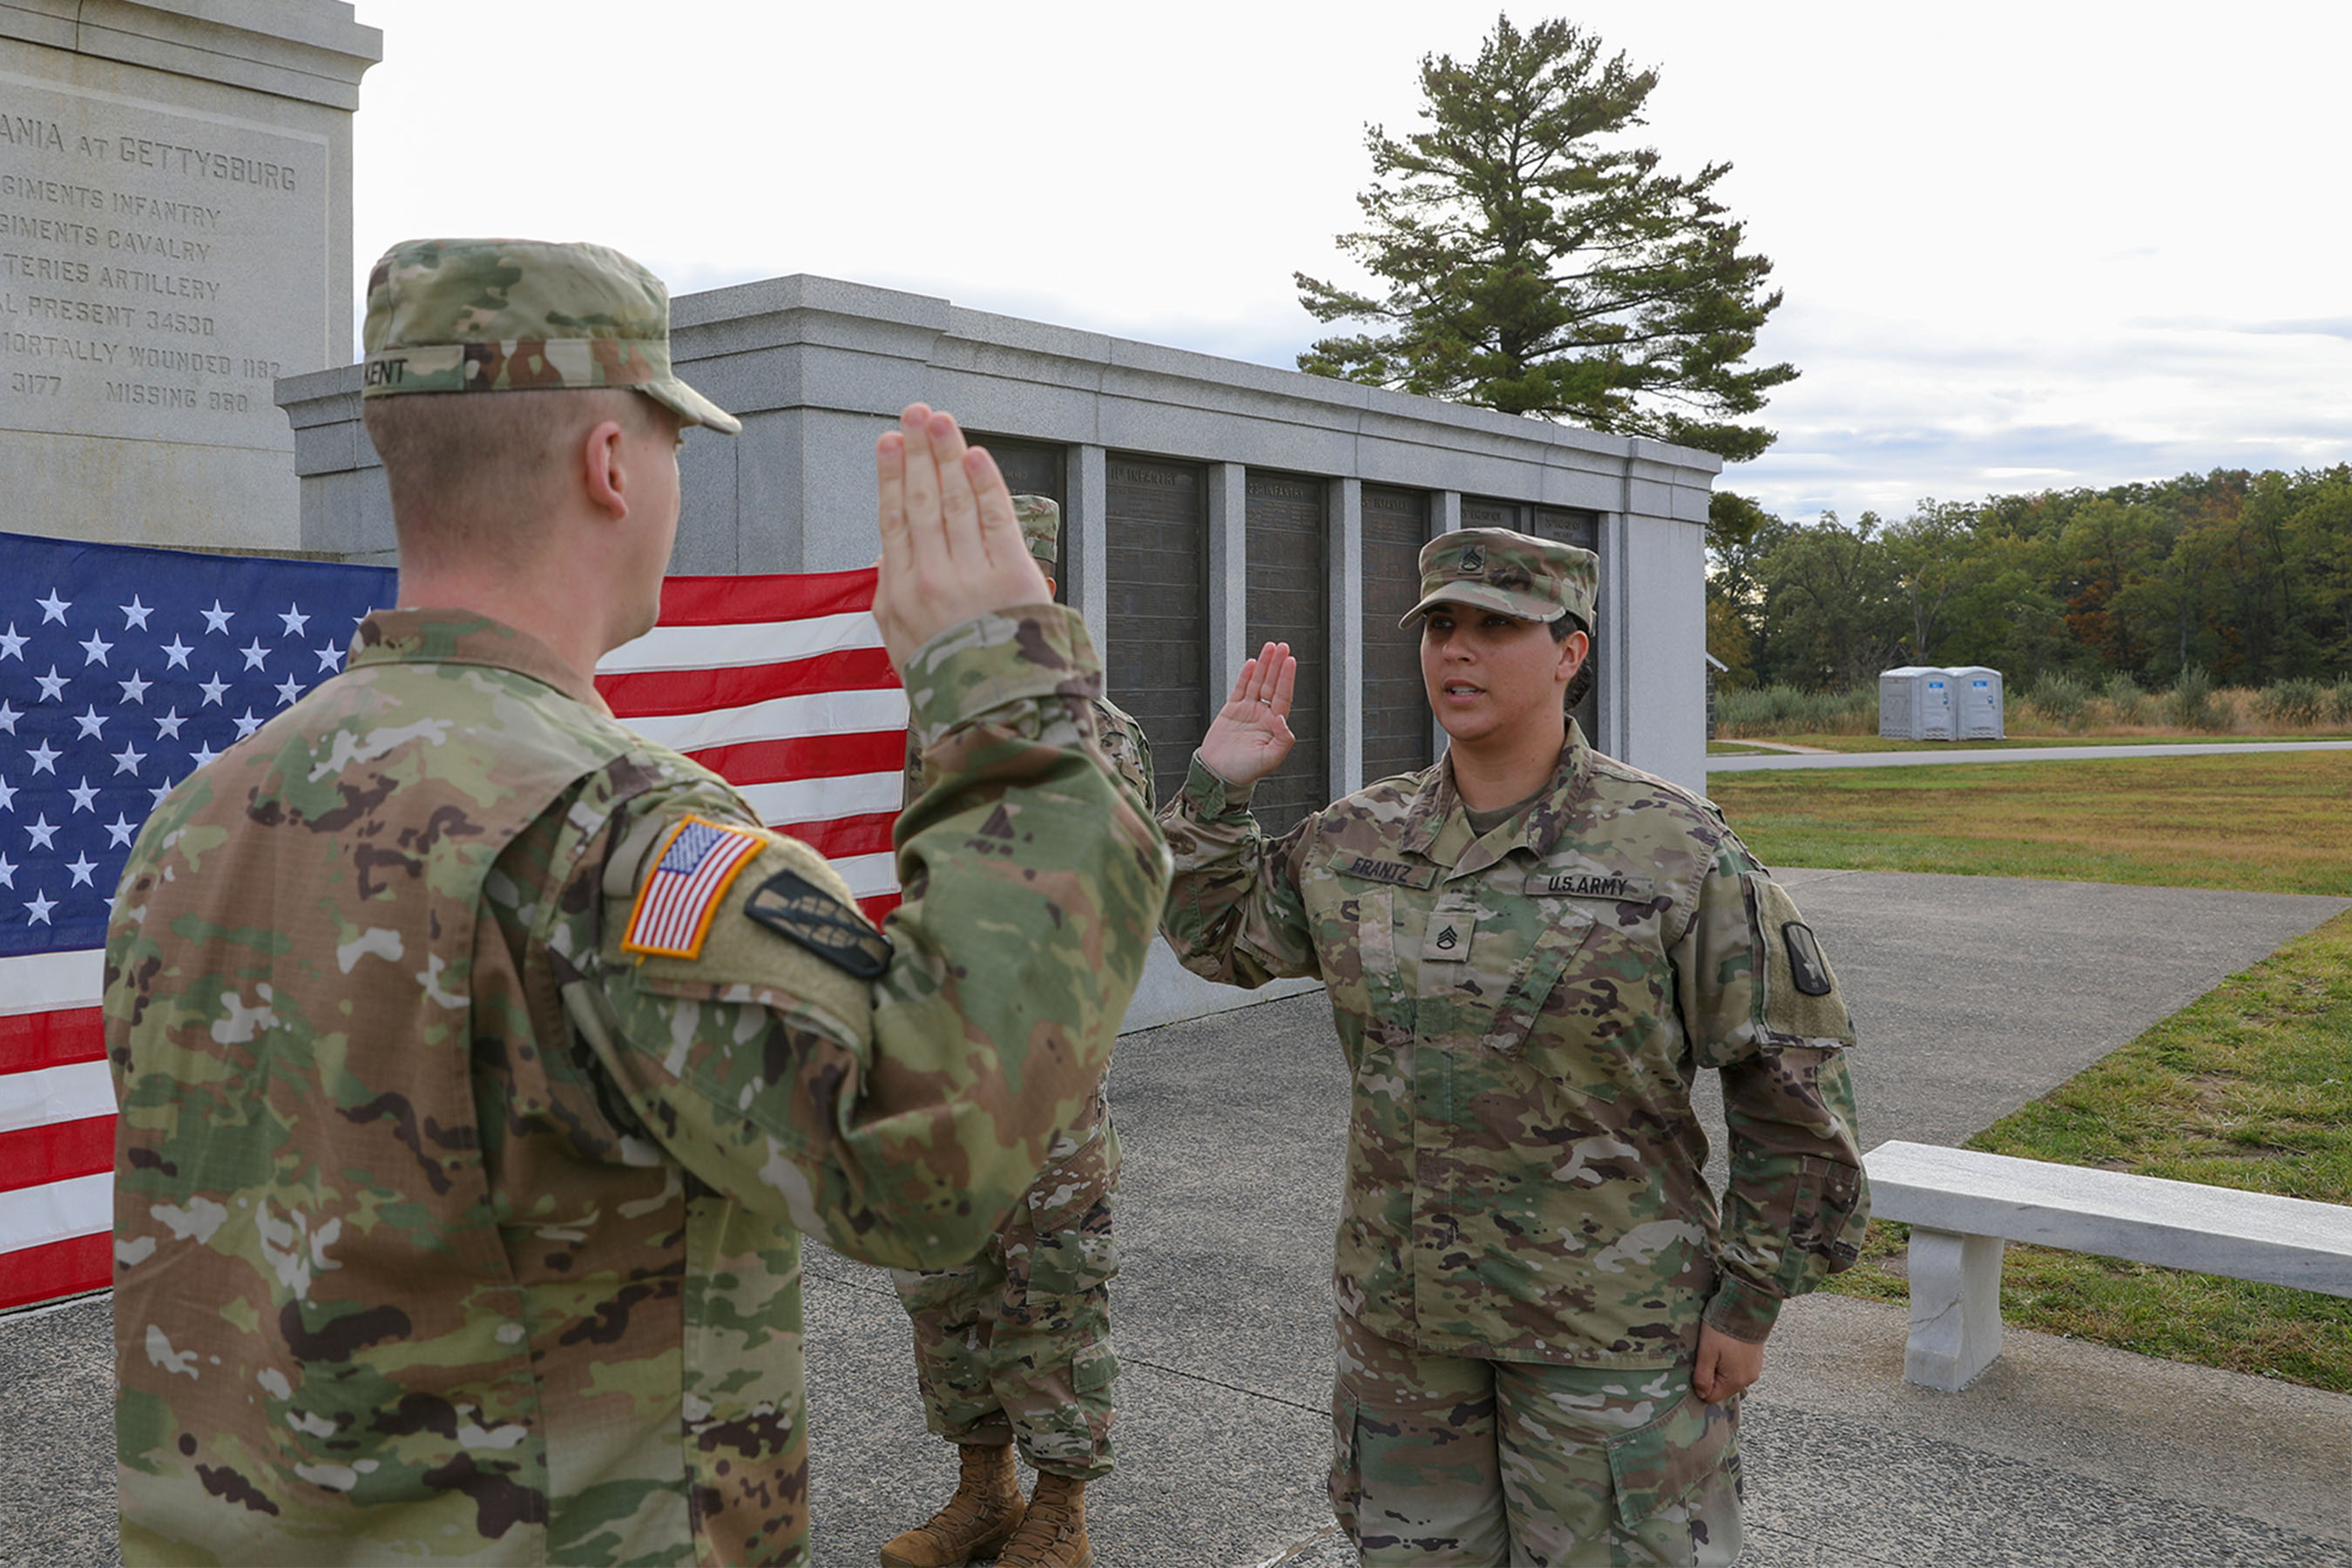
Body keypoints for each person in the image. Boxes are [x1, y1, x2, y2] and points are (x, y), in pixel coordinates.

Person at [104, 237, 1168, 1567]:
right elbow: (925, 1160)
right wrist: (1007, 698)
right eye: (674, 441)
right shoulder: (612, 836)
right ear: (612, 463)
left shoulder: (201, 815)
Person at [1157, 527, 1870, 1566]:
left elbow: (1793, 1083)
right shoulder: (1360, 839)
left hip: (1608, 1335)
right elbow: (1217, 939)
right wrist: (1218, 792)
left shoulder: (1672, 848)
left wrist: (1752, 1299)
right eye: (1442, 625)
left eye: (1498, 627)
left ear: (1569, 653)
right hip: (1406, 1329)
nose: (1459, 651)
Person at [881, 497, 1151, 1568]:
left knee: (1051, 1291)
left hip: (1041, 1077)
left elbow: (1093, 896)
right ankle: (982, 1490)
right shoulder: (914, 725)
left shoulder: (1093, 731)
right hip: (936, 1065)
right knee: (948, 1291)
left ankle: (1062, 1508)